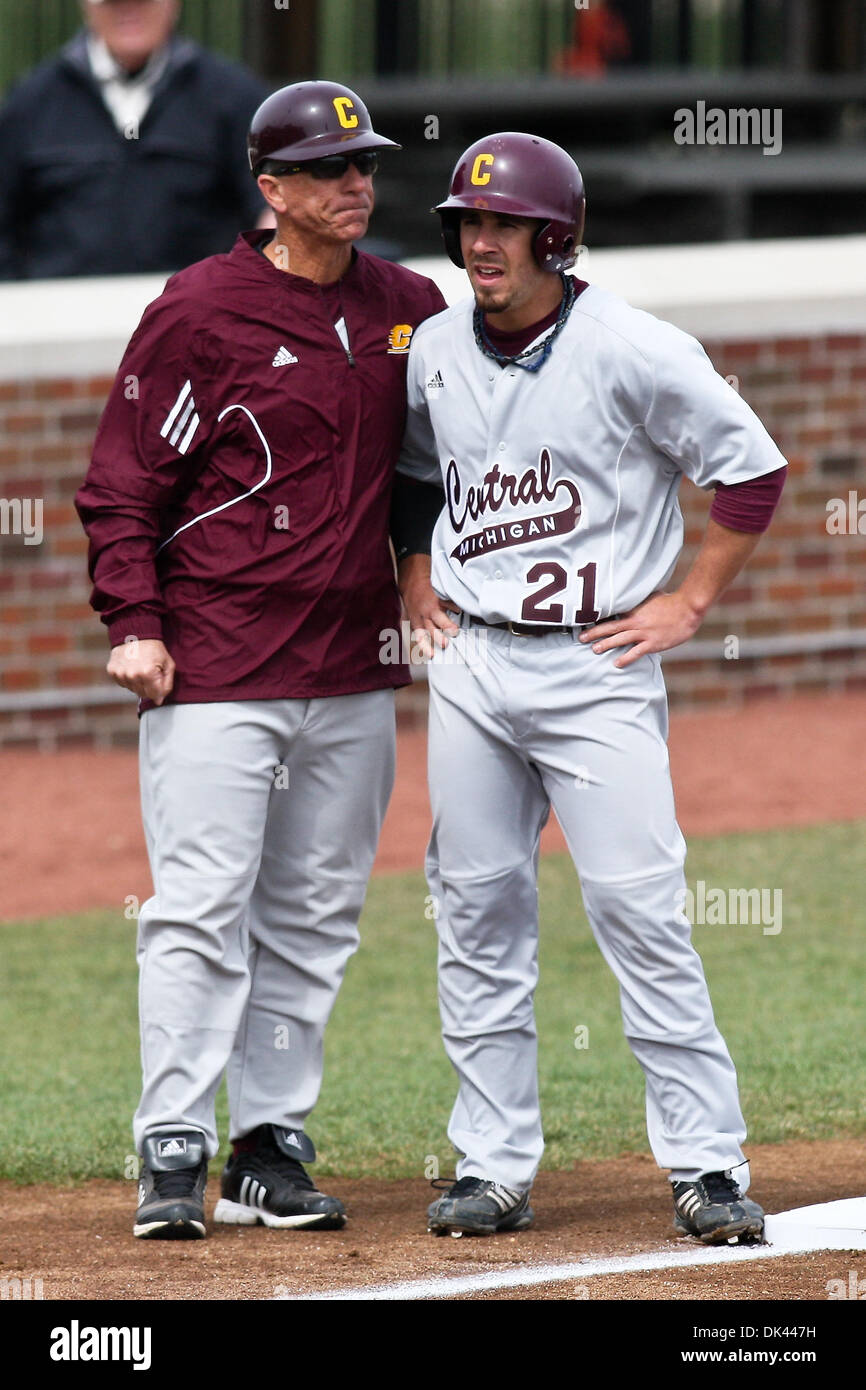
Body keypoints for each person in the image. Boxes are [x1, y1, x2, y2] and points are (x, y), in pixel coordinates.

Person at [393, 132, 787, 1242]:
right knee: (473, 911)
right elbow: (416, 468)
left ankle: (705, 1165)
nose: (479, 243)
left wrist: (689, 601)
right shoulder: (430, 345)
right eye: (466, 224)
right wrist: (417, 574)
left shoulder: (631, 347)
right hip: (472, 658)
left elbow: (750, 469)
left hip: (593, 662)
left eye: (501, 225)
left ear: (553, 237)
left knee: (637, 908)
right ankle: (492, 1165)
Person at [75, 80, 446, 1239]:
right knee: (198, 907)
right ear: (269, 188)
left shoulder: (406, 307)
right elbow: (122, 486)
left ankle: (269, 1144)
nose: (355, 187)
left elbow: (425, 469)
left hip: (348, 663)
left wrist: (418, 568)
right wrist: (132, 620)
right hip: (217, 662)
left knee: (316, 911)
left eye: (364, 166)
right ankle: (173, 1144)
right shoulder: (201, 310)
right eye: (328, 170)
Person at [0, 0, 267, 279]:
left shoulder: (234, 97)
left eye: (143, 1)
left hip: (199, 314)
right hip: (56, 314)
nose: (129, 11)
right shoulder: (31, 103)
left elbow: (267, 210)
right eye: (113, 3)